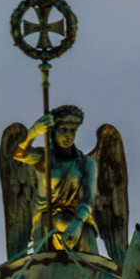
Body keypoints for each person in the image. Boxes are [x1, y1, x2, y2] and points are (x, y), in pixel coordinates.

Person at [13, 104, 99, 253]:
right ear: (53, 132)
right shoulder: (43, 158)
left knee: (94, 268)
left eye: (73, 131)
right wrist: (34, 131)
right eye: (63, 130)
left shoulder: (87, 163)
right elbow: (18, 153)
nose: (68, 136)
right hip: (47, 225)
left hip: (79, 223)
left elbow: (88, 198)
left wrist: (77, 223)